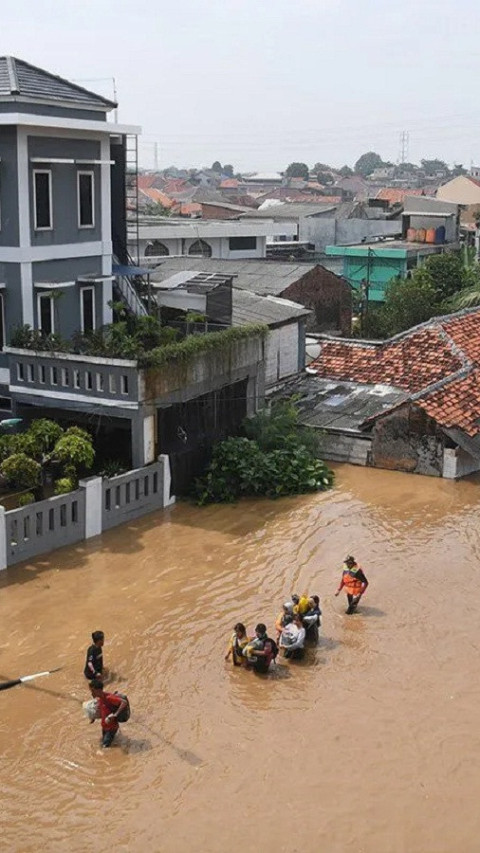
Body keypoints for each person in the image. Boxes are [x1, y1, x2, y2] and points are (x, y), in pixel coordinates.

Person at [89, 679, 127, 748]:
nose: (92, 693)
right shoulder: (100, 699)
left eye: (93, 691)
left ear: (99, 690)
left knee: (105, 748)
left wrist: (116, 714)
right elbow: (102, 710)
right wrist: (93, 718)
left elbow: (124, 702)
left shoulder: (109, 697)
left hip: (111, 728)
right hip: (104, 726)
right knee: (105, 743)